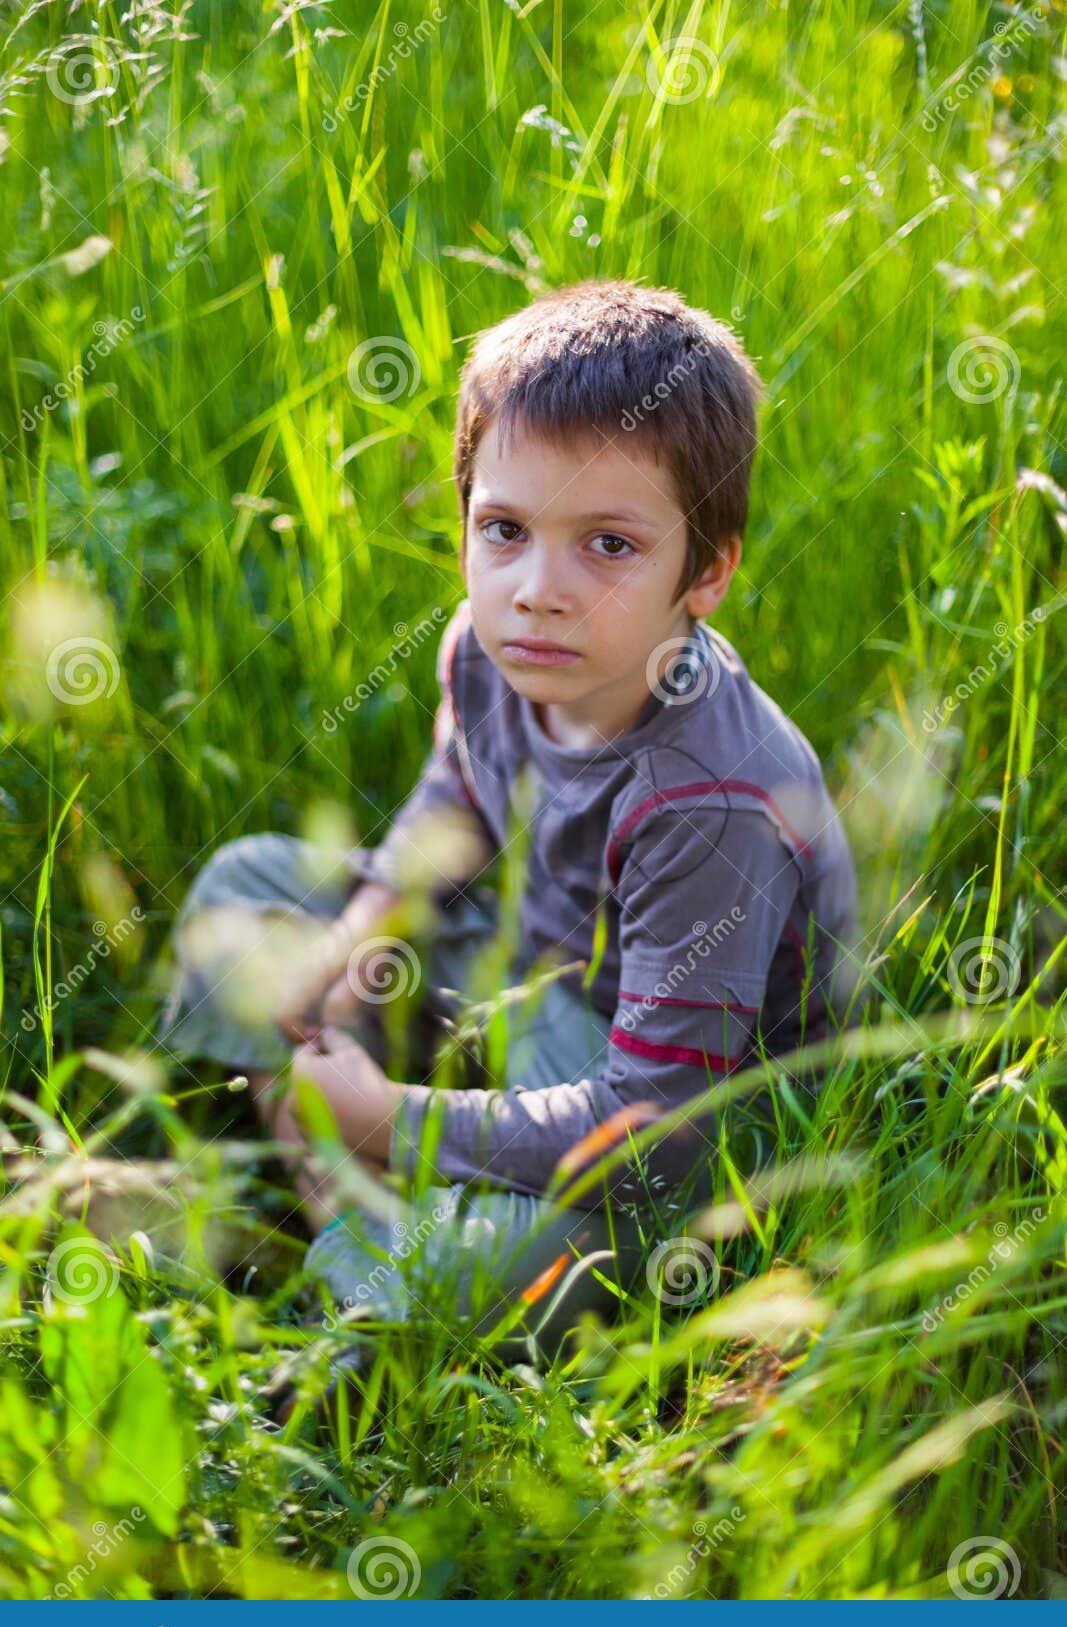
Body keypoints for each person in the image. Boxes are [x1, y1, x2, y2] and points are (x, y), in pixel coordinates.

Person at [157, 277, 861, 1361]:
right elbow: (458, 792)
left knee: (530, 1254)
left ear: (704, 571)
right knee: (249, 887)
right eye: (505, 529)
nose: (537, 588)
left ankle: (361, 1247)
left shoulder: (711, 795)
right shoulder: (490, 653)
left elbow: (656, 1136)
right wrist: (362, 935)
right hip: (521, 978)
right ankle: (339, 1194)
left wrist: (397, 1115)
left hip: (665, 1107)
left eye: (608, 545)